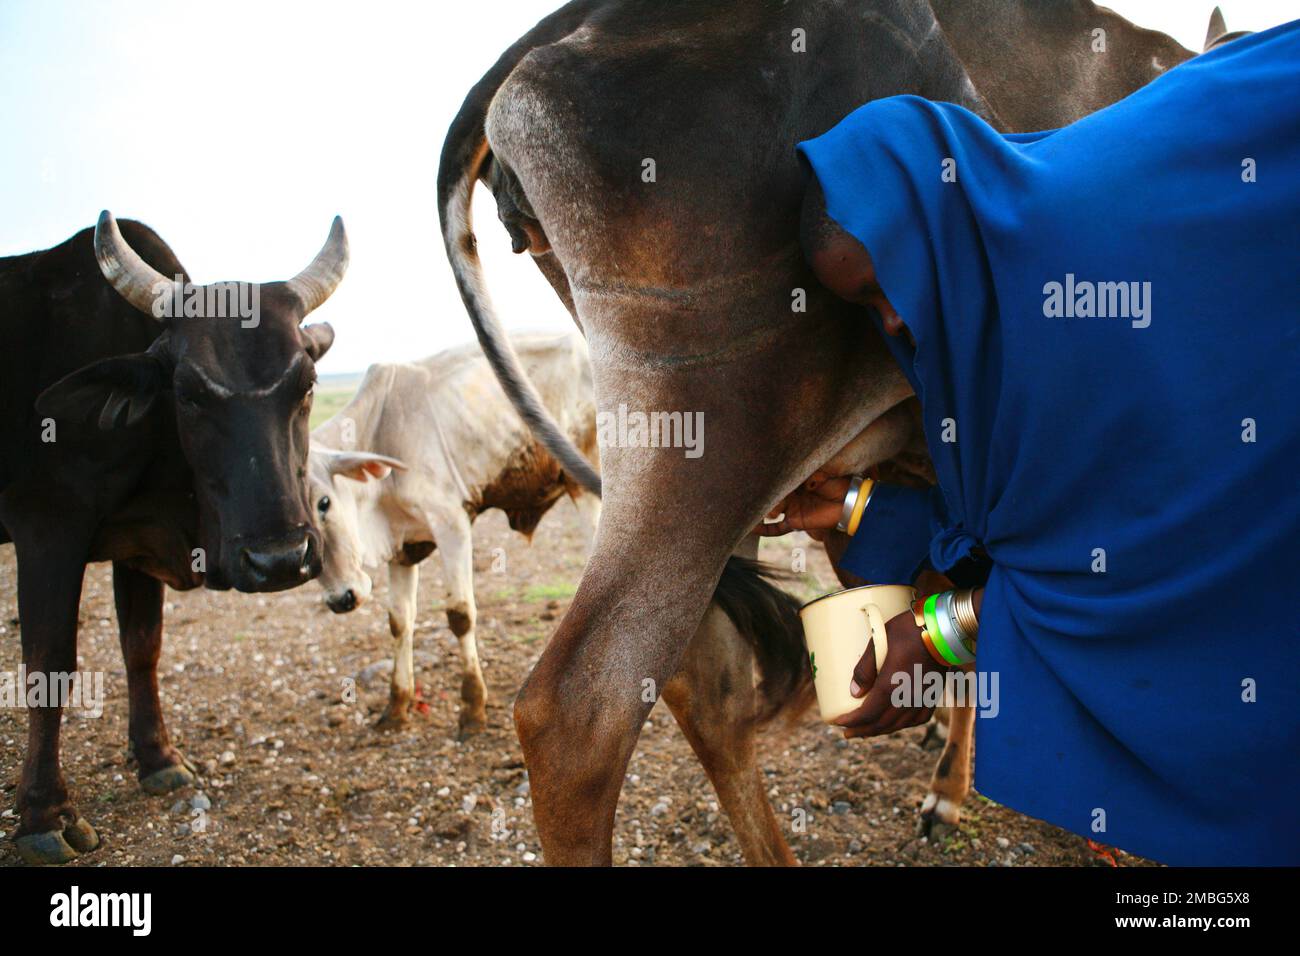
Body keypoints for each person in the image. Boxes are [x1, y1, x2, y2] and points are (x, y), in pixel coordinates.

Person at [759, 21, 1300, 866]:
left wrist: (937, 635)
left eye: (886, 282)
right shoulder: (988, 285)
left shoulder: (1072, 287)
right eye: (866, 309)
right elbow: (1037, 524)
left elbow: (1146, 549)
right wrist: (860, 506)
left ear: (937, 222)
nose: (893, 320)